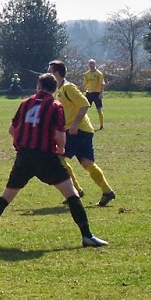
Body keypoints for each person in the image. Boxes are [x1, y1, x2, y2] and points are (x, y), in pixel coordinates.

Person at [0, 73, 107, 248]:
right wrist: (61, 149)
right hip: (46, 157)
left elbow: (12, 129)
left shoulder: (25, 103)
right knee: (72, 195)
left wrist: (23, 142)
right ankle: (87, 236)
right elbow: (59, 134)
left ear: (39, 86)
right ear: (55, 89)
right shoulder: (56, 106)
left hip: (24, 157)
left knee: (6, 197)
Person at [49, 60, 117, 206]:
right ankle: (107, 191)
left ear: (56, 73)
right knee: (87, 163)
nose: (48, 73)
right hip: (82, 130)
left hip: (77, 131)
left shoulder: (68, 88)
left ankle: (76, 191)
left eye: (50, 71)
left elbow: (85, 103)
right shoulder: (59, 89)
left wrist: (74, 124)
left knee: (57, 158)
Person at [82, 60, 106, 128]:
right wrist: (81, 92)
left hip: (96, 93)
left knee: (99, 110)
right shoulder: (87, 74)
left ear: (95, 64)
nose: (90, 65)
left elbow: (102, 84)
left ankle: (101, 125)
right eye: (89, 63)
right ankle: (83, 124)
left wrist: (101, 93)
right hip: (89, 93)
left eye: (92, 63)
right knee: (84, 109)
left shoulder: (99, 74)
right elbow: (84, 84)